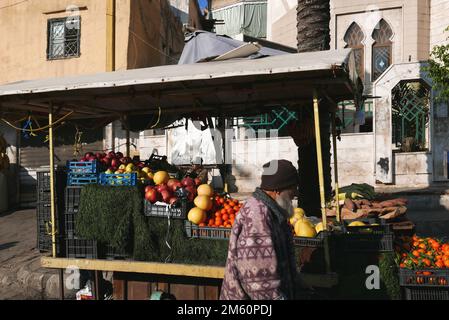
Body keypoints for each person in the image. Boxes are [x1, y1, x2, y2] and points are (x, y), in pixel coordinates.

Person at [220, 159, 299, 300]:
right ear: (278, 190)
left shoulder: (274, 211)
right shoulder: (258, 217)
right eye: (292, 188)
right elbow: (260, 282)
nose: (295, 194)